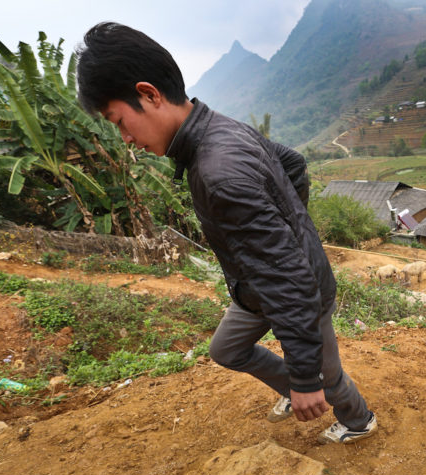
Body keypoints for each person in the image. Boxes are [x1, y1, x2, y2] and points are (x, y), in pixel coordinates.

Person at [75, 22, 377, 444]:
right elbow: (292, 164)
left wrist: (306, 377)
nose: (126, 139)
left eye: (120, 122)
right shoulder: (219, 128)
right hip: (258, 287)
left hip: (300, 288)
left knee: (327, 376)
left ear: (149, 94)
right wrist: (289, 229)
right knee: (226, 350)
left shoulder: (218, 173)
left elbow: (285, 275)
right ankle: (294, 387)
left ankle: (358, 420)